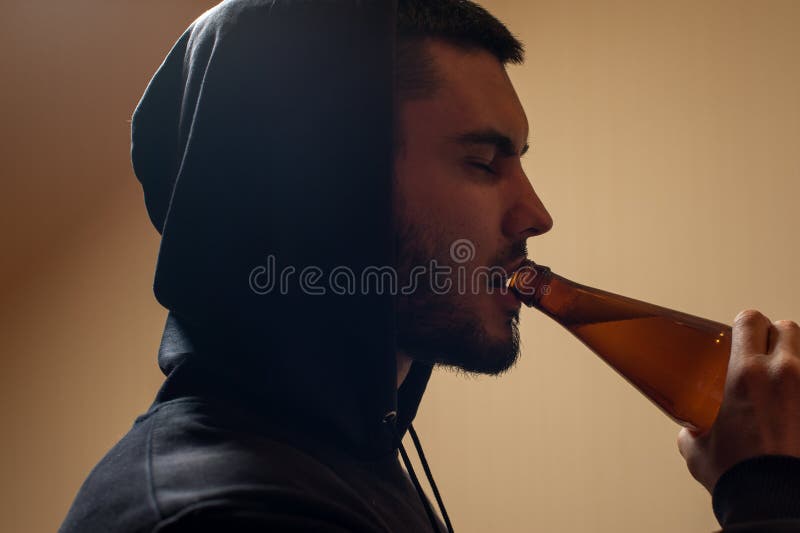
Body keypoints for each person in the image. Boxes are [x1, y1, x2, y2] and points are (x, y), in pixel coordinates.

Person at [59, 1, 800, 531]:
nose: (536, 214)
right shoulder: (225, 510)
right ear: (327, 193)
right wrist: (766, 494)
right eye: (483, 161)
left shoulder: (344, 452)